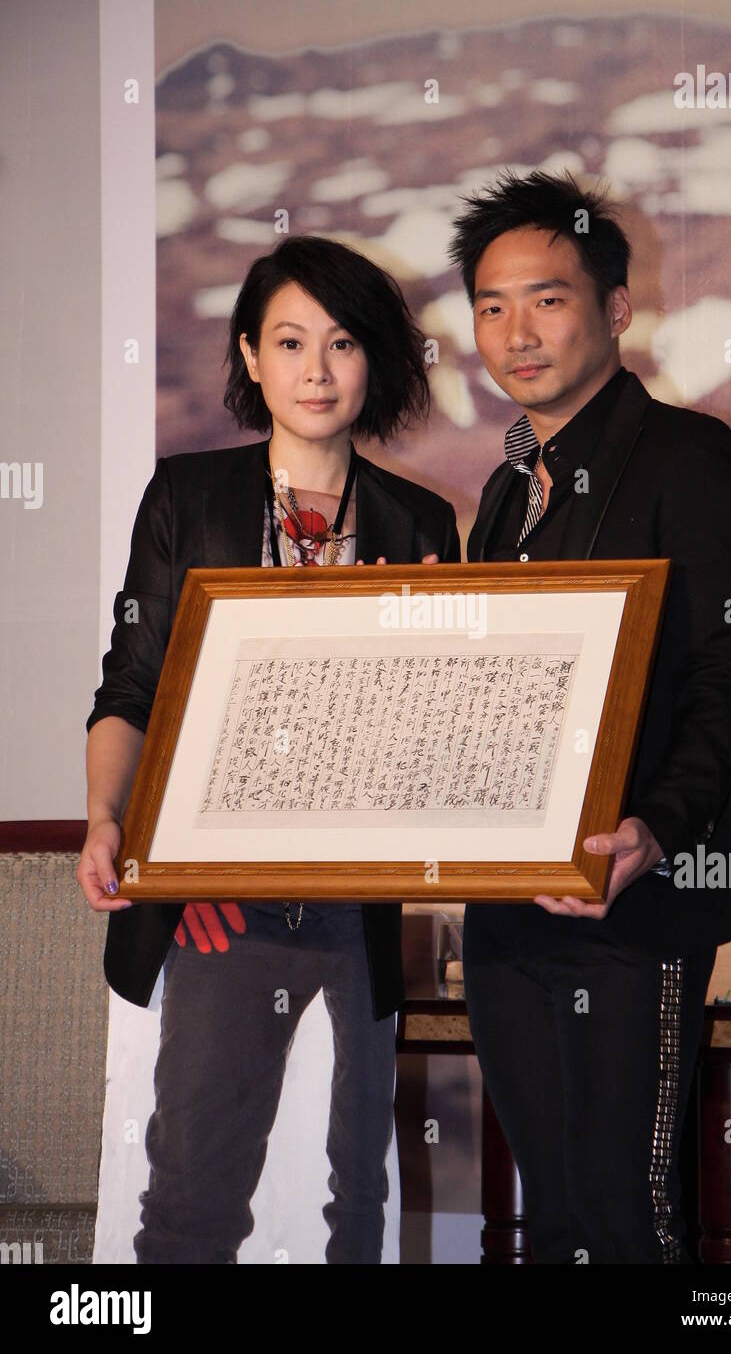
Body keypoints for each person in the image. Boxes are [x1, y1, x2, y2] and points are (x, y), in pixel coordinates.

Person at [76, 234, 460, 1264]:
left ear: (371, 359)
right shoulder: (188, 499)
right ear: (250, 356)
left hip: (355, 905)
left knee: (351, 1204)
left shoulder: (418, 522)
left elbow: (427, 726)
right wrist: (121, 830)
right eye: (290, 342)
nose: (317, 370)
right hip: (210, 907)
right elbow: (132, 688)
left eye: (341, 343)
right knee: (194, 1202)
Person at [447, 169, 731, 1263]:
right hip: (506, 915)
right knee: (553, 1222)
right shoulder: (504, 492)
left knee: (627, 1224)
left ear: (615, 309)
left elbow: (730, 667)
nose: (514, 332)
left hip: (636, 903)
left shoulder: (687, 456)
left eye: (545, 298)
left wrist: (657, 830)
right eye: (489, 306)